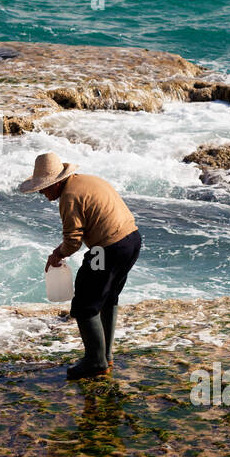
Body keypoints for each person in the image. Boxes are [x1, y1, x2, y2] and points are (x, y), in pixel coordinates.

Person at [18, 152, 142, 380]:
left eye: (44, 188)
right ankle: (105, 355)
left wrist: (56, 255)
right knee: (108, 296)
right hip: (132, 239)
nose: (43, 194)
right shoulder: (87, 181)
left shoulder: (69, 197)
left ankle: (96, 362)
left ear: (57, 182)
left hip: (108, 248)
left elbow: (73, 241)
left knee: (84, 304)